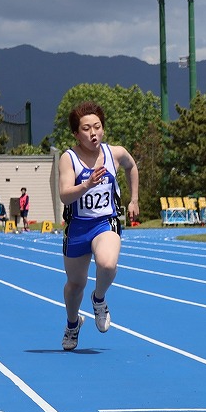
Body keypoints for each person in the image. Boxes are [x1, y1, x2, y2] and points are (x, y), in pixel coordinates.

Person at [58, 101, 140, 350]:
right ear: (76, 133)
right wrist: (86, 185)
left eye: (97, 127)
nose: (93, 133)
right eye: (86, 128)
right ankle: (73, 324)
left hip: (106, 221)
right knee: (75, 285)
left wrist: (134, 198)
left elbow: (132, 166)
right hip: (78, 227)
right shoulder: (68, 158)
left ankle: (99, 299)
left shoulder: (115, 153)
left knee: (107, 264)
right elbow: (64, 195)